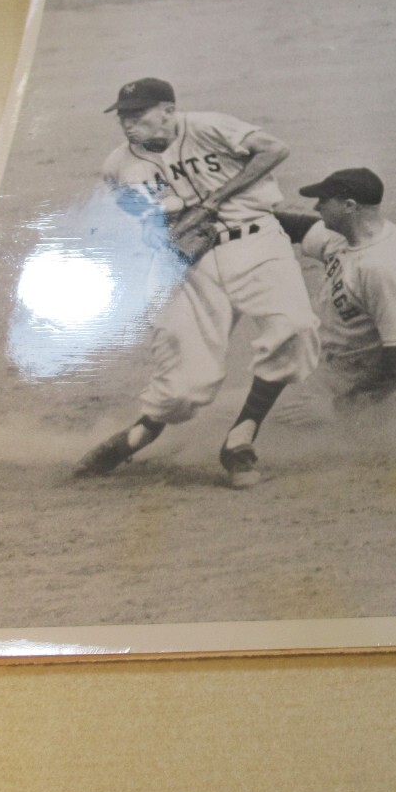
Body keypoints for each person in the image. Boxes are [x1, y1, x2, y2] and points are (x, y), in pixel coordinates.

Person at [73, 78, 321, 488]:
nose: (127, 123)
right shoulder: (118, 165)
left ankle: (241, 437)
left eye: (137, 113)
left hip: (256, 240)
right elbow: (133, 213)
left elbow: (275, 149)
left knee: (294, 328)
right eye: (123, 115)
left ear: (168, 111)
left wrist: (212, 201)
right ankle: (137, 435)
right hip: (192, 263)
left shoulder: (209, 126)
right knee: (184, 387)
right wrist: (160, 234)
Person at [272, 168, 396, 421]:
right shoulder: (351, 236)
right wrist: (236, 218)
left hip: (349, 384)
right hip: (328, 367)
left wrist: (339, 408)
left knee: (221, 418)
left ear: (349, 206)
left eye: (324, 201)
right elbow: (301, 228)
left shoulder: (383, 267)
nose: (316, 207)